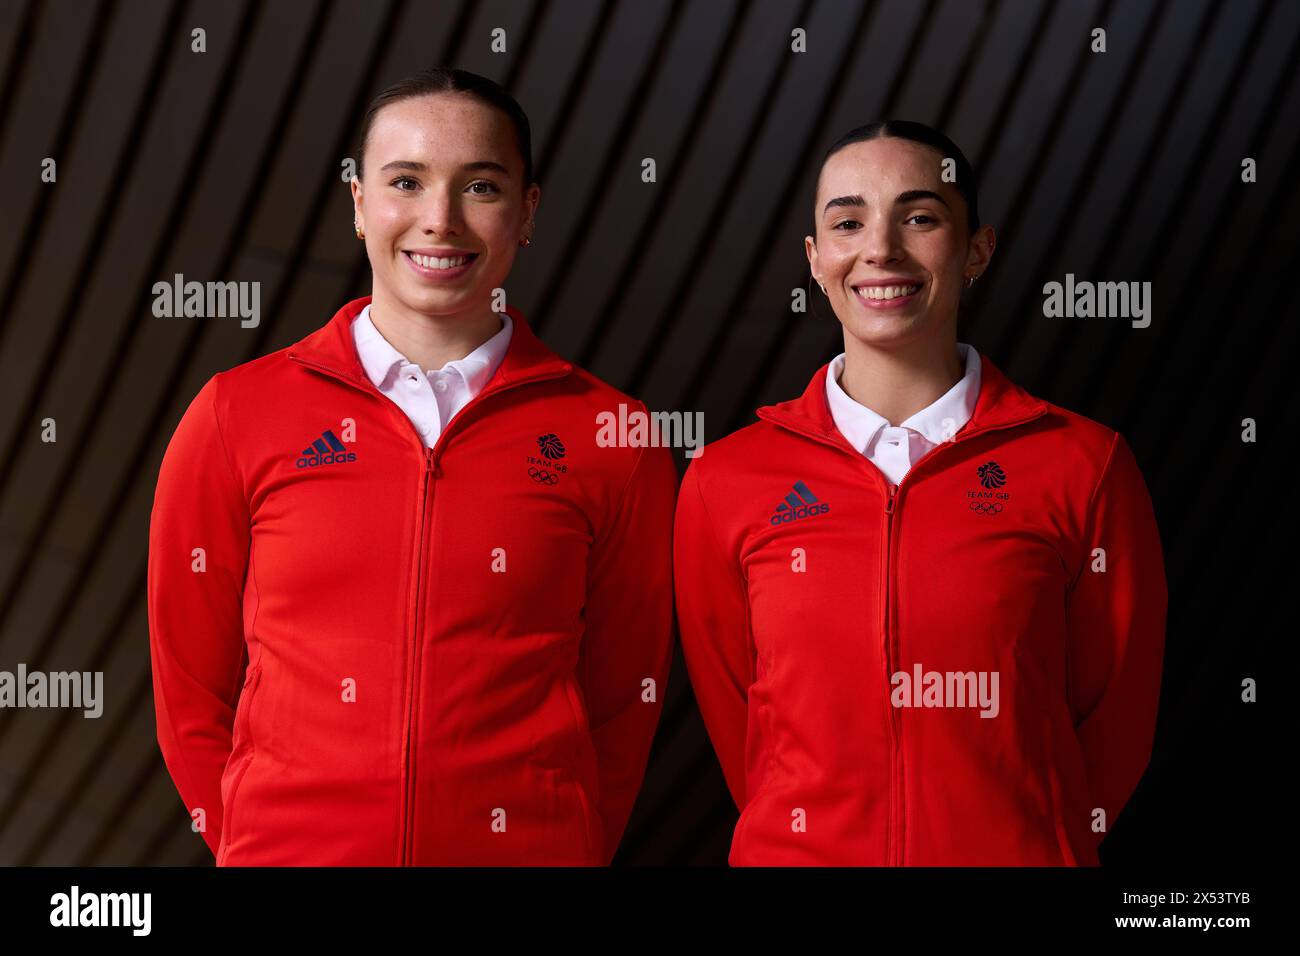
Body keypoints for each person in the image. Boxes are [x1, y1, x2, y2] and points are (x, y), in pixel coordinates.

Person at [148, 67, 677, 866]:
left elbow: (624, 700)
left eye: (483, 187)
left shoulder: (614, 435)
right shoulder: (235, 413)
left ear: (527, 212)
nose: (440, 220)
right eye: (406, 181)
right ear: (359, 204)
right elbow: (189, 687)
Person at [673, 120, 1167, 866]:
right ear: (815, 258)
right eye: (848, 222)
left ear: (976, 249)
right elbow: (742, 724)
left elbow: (1117, 720)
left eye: (920, 216)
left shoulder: (1083, 464)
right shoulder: (725, 480)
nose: (881, 249)